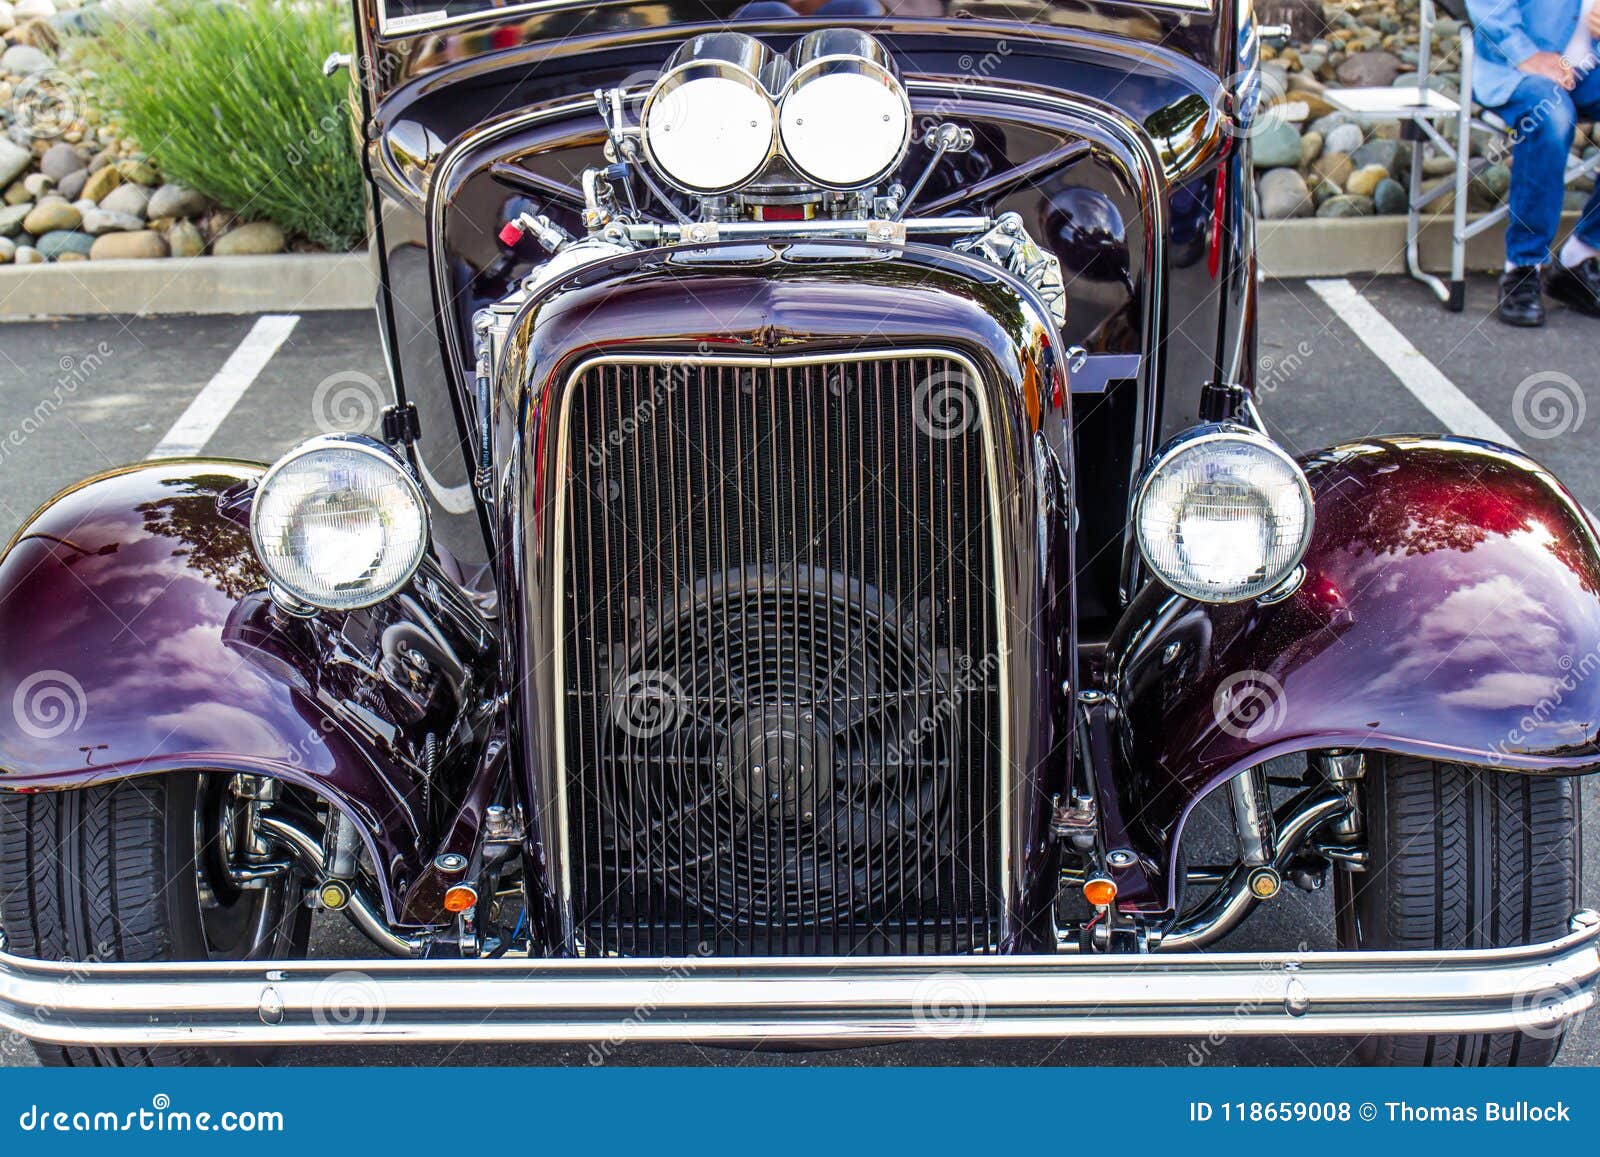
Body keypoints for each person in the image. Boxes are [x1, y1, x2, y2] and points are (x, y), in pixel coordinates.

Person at [1469, 0, 1600, 326]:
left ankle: (1582, 256)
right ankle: (1523, 268)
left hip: (1591, 67)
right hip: (1518, 67)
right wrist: (1527, 55)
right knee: (1552, 117)